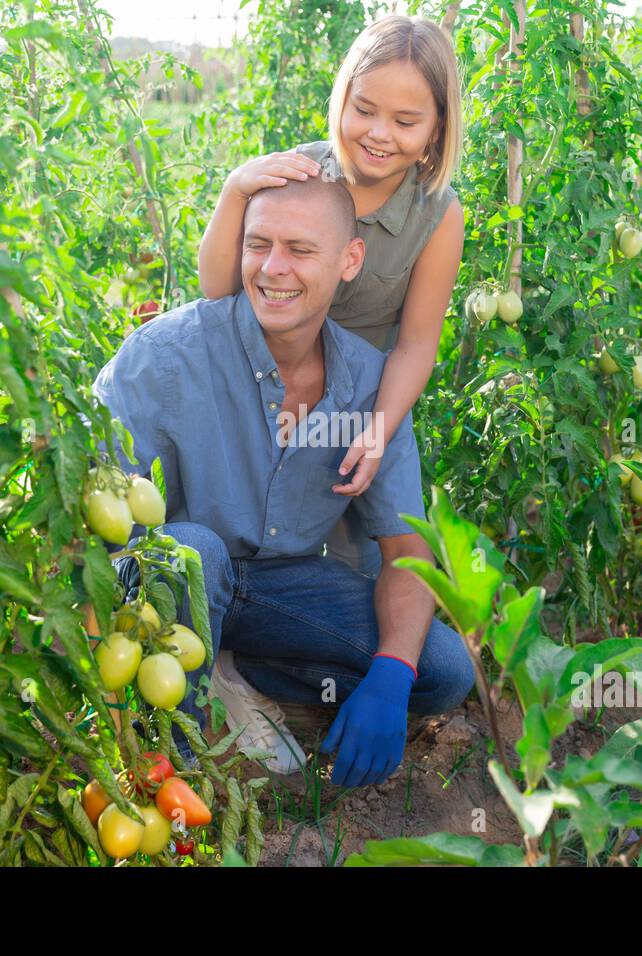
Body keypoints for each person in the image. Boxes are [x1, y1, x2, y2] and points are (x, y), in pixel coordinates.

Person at [94, 176, 474, 788]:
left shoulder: (370, 386)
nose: (273, 268)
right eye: (258, 245)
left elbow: (406, 553)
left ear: (350, 260)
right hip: (174, 585)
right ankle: (175, 764)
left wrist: (390, 676)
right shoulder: (165, 356)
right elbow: (94, 517)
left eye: (300, 250)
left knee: (441, 670)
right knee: (194, 553)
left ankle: (238, 671)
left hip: (278, 593)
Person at [197, 14, 465, 576]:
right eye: (363, 109)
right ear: (342, 99)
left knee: (362, 557)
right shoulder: (297, 173)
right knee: (232, 525)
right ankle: (234, 638)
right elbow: (217, 290)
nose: (378, 132)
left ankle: (349, 652)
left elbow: (416, 345)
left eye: (406, 120)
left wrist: (378, 429)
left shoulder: (437, 216)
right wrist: (233, 190)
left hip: (351, 402)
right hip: (259, 379)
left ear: (437, 130)